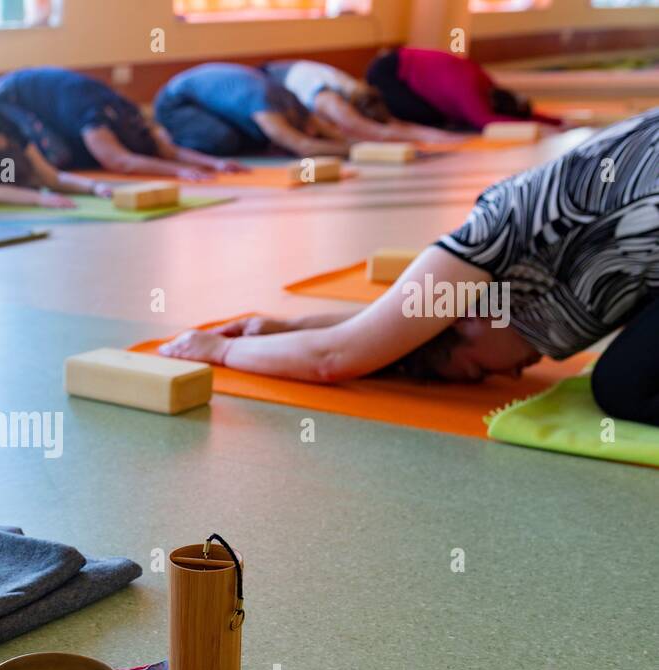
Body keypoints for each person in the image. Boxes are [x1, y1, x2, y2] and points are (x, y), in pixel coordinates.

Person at [159, 109, 659, 426]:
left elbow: (335, 357)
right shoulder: (514, 290)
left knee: (623, 386)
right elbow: (387, 326)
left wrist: (219, 349)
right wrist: (283, 327)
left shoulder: (490, 236)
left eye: (479, 368)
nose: (510, 374)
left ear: (463, 318)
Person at [0, 66, 243, 180]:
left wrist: (214, 164)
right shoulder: (94, 116)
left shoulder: (129, 114)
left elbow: (168, 150)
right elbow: (119, 161)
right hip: (9, 97)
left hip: (55, 99)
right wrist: (176, 171)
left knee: (81, 154)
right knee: (60, 157)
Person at [155, 63, 351, 158]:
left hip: (213, 98)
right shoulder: (266, 106)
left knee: (257, 139)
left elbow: (328, 133)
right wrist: (354, 150)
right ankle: (165, 139)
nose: (312, 131)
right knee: (223, 140)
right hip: (175, 102)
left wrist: (363, 145)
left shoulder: (292, 103)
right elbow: (303, 146)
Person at [263, 59, 462, 144]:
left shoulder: (358, 92)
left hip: (290, 72)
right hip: (269, 76)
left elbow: (388, 125)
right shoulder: (330, 100)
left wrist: (435, 135)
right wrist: (428, 137)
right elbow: (376, 132)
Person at [365, 47, 558, 132]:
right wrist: (540, 126)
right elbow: (486, 121)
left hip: (402, 66)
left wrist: (555, 121)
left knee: (448, 119)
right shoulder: (472, 93)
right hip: (389, 71)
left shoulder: (487, 84)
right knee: (433, 120)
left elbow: (519, 114)